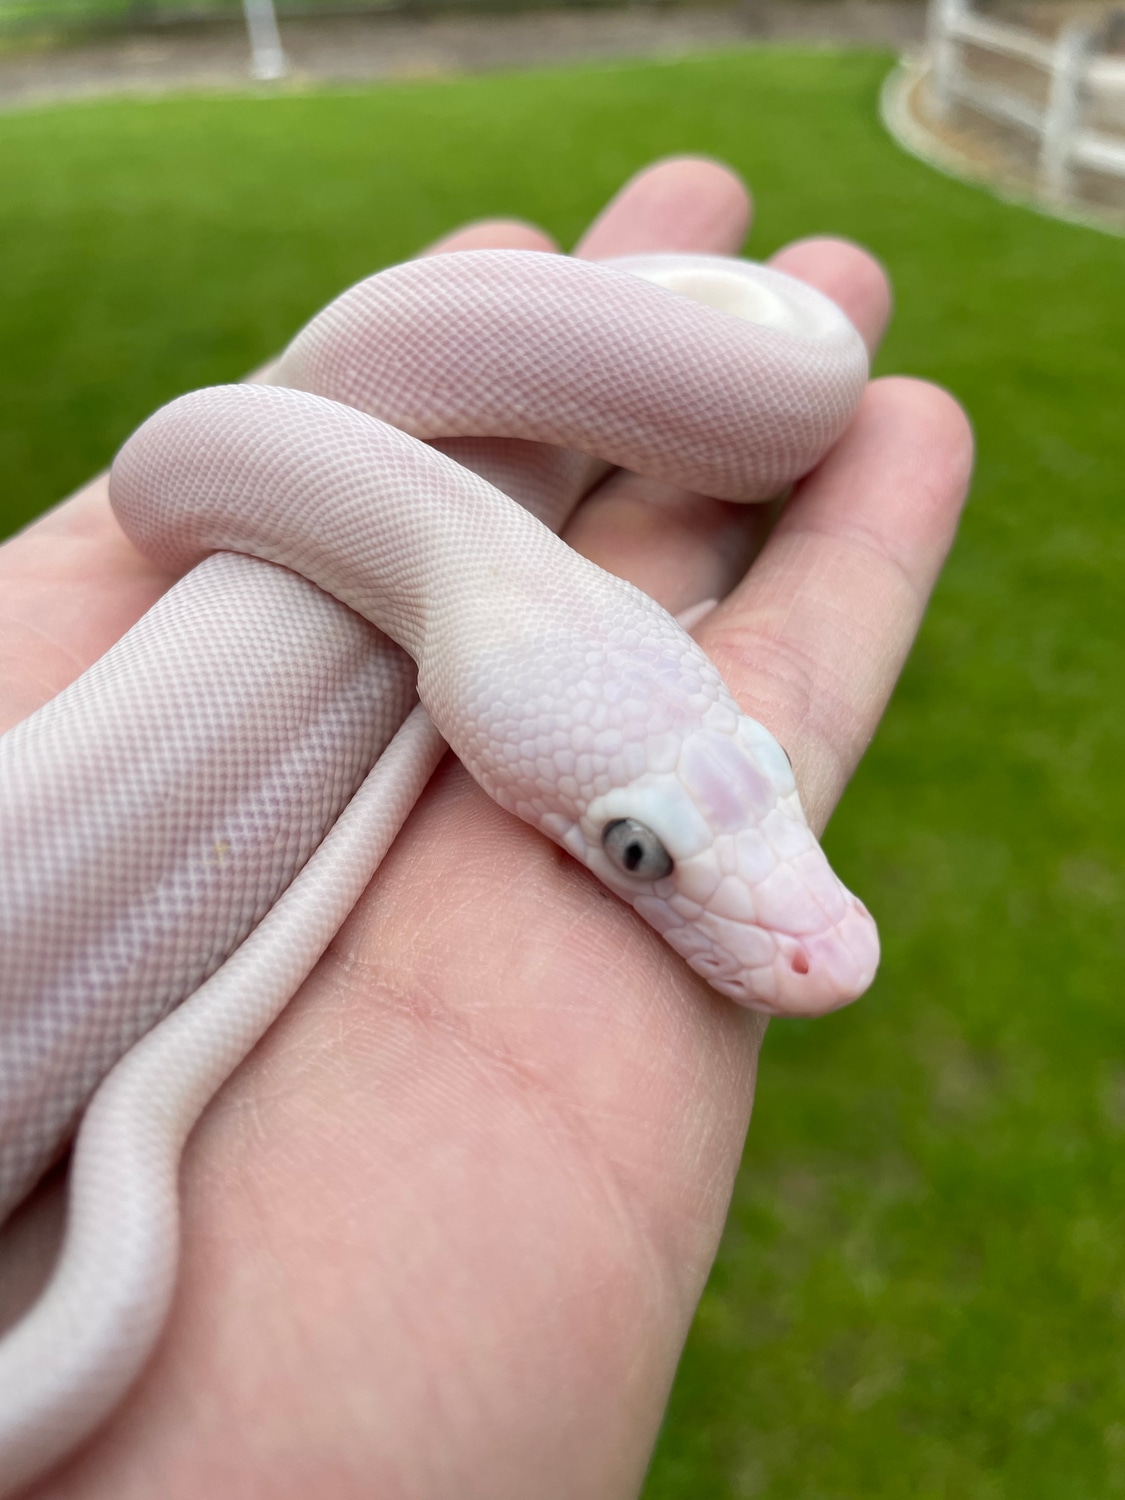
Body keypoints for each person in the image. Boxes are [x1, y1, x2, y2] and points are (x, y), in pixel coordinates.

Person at [0, 155, 971, 1497]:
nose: (798, 940)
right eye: (635, 852)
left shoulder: (331, 503)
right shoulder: (307, 516)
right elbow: (164, 494)